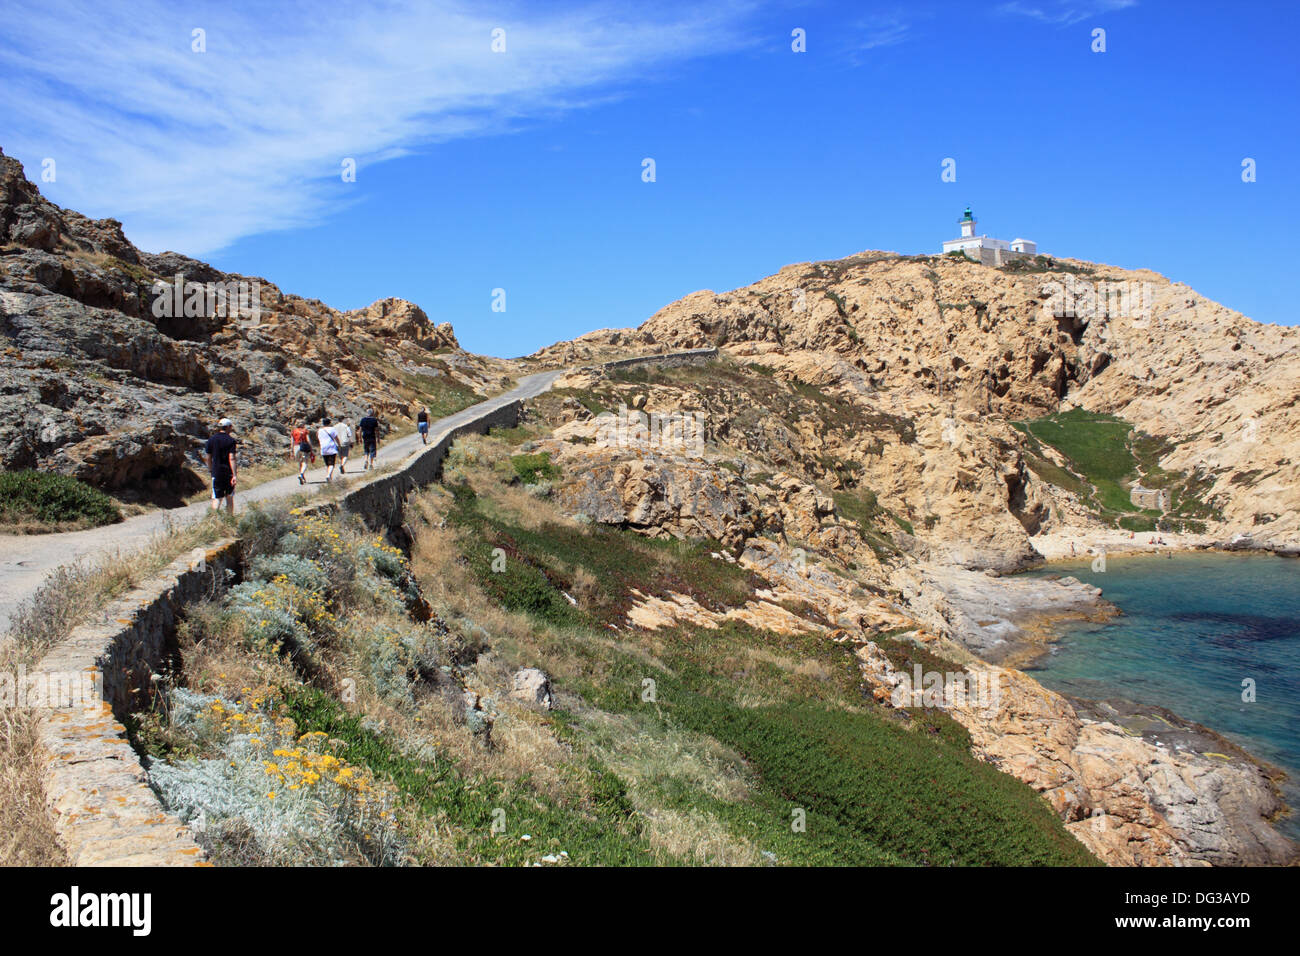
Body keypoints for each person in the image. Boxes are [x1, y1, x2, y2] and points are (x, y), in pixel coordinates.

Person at [204, 418, 238, 514]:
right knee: (229, 497)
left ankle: (213, 521)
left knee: (217, 498)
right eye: (230, 427)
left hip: (216, 472)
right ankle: (229, 520)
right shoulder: (231, 441)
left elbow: (208, 458)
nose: (231, 429)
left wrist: (211, 470)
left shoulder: (211, 440)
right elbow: (231, 458)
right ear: (227, 427)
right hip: (228, 473)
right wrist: (234, 474)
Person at [317, 418, 341, 483]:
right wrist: (339, 445)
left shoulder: (320, 430)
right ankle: (328, 475)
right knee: (331, 463)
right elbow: (336, 438)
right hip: (331, 447)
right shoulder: (332, 429)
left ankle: (329, 476)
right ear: (329, 423)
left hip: (323, 447)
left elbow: (318, 438)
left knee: (327, 463)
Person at [290, 421, 311, 485]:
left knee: (300, 462)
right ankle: (301, 474)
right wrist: (311, 448)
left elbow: (292, 441)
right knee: (305, 462)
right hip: (303, 446)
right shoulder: (305, 431)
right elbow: (308, 440)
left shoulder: (293, 431)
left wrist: (291, 451)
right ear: (303, 425)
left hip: (296, 447)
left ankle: (302, 476)